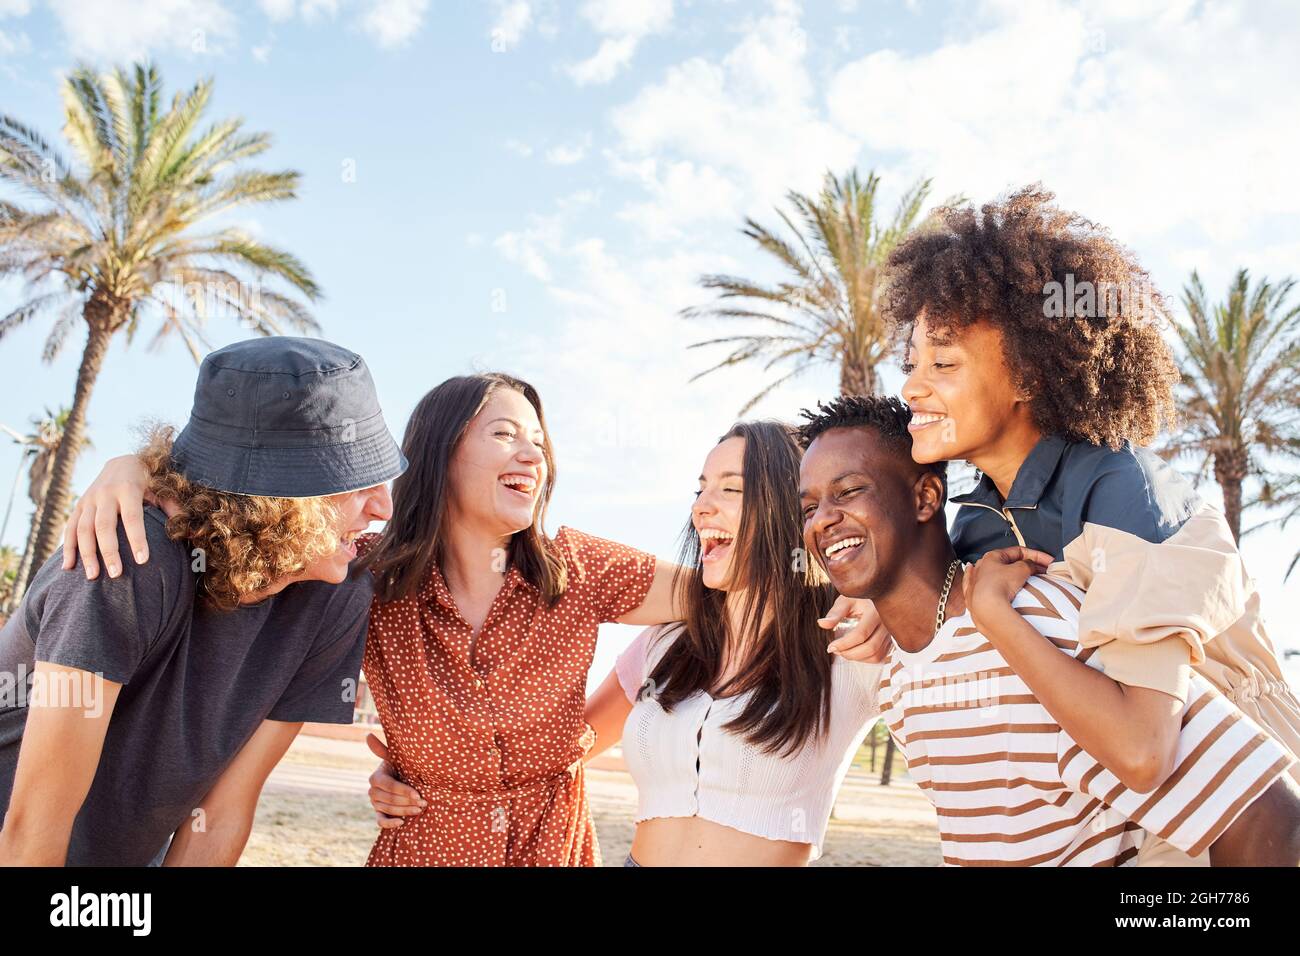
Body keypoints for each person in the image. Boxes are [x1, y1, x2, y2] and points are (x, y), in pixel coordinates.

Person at [70, 375, 877, 866]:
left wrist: (857, 585)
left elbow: (738, 582)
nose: (534, 454)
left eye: (540, 441)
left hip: (554, 853)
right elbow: (254, 511)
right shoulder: (364, 580)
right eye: (505, 435)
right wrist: (135, 467)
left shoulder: (577, 568)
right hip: (423, 851)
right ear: (441, 452)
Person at [798, 394, 1300, 866]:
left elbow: (1269, 819)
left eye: (848, 491)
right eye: (808, 508)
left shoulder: (1038, 621)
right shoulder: (897, 673)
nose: (822, 520)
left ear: (927, 497)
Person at [372, 421, 881, 866]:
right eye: (700, 489)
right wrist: (423, 769)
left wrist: (884, 599)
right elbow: (563, 750)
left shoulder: (851, 645)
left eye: (731, 490)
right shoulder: (668, 643)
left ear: (791, 510)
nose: (702, 507)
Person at [0, 337, 405, 865]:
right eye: (355, 485)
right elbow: (33, 825)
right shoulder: (126, 560)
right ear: (276, 499)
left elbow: (220, 816)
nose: (382, 506)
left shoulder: (336, 592)